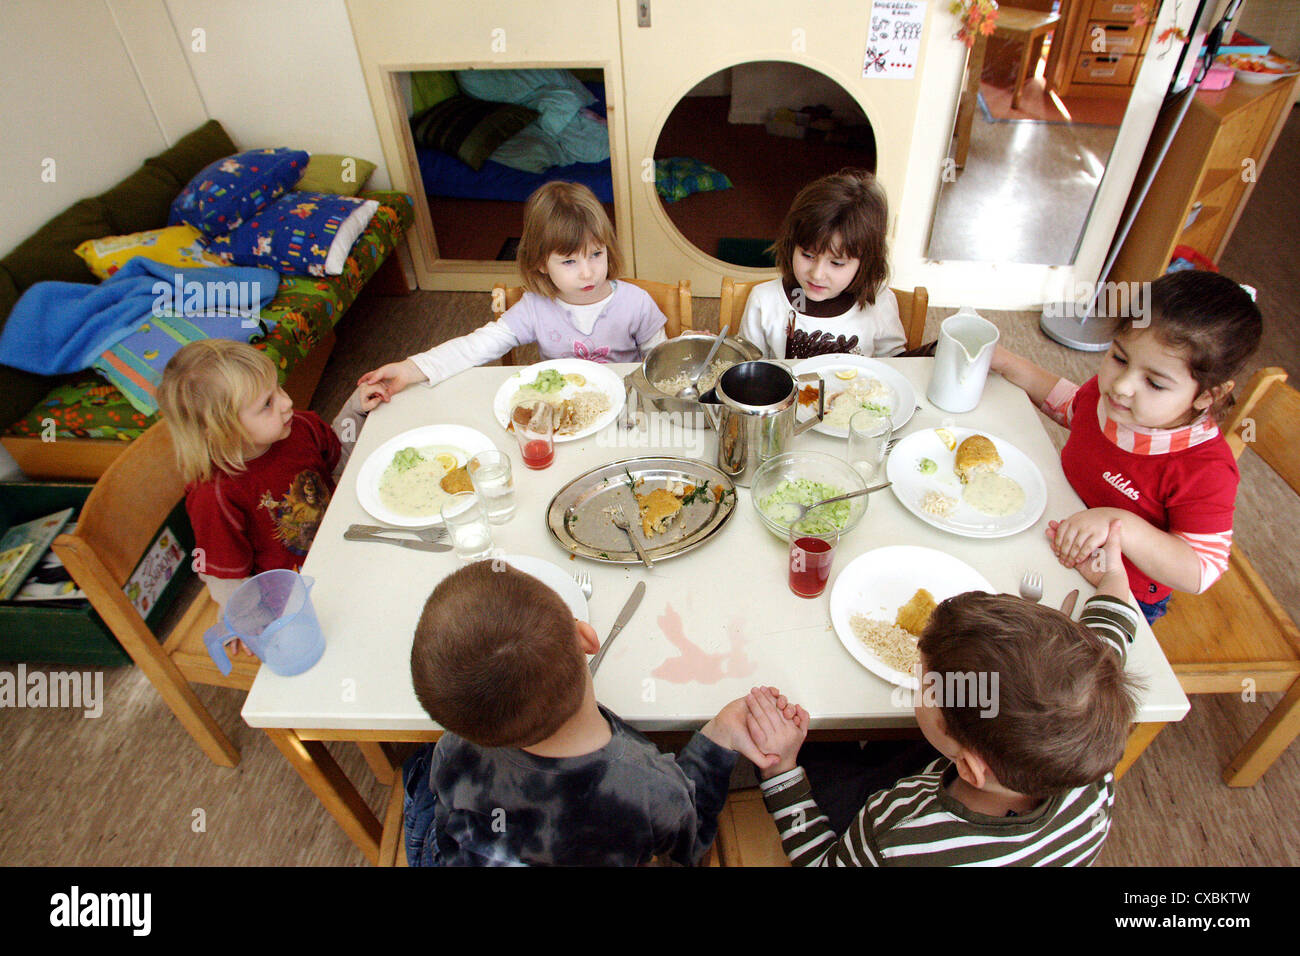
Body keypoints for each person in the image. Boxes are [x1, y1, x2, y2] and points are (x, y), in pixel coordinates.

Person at [746, 520, 1143, 866]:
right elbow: (1106, 643)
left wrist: (781, 772)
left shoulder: (897, 834)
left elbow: (822, 863)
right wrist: (1112, 578)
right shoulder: (1088, 742)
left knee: (820, 748)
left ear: (969, 769)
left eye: (925, 682)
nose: (916, 672)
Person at [403, 560, 779, 866]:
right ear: (587, 638)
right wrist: (718, 738)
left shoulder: (451, 749)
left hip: (463, 853)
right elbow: (690, 848)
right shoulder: (650, 786)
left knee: (417, 773)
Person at [991, 269, 1262, 622]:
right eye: (1119, 358)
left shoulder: (1204, 468)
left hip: (1115, 594)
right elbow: (1075, 407)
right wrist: (1014, 366)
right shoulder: (1113, 401)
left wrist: (1120, 523)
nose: (1121, 386)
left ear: (1208, 396)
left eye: (1154, 382)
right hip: (1050, 533)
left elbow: (1201, 569)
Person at [358, 181, 667, 397]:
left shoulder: (636, 303)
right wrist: (410, 369)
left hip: (625, 409)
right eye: (569, 262)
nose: (588, 272)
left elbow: (662, 364)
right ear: (541, 264)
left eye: (596, 254)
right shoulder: (534, 308)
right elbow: (476, 347)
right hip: (562, 410)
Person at [156, 339, 385, 615]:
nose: (287, 402)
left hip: (347, 546)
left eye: (278, 388)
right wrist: (246, 621)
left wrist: (355, 410)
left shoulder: (298, 425)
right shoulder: (213, 497)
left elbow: (338, 462)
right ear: (222, 430)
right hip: (297, 598)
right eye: (267, 403)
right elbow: (225, 579)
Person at [739, 168, 906, 360]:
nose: (817, 274)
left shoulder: (880, 302)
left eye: (836, 263)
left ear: (866, 262)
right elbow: (747, 367)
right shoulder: (764, 301)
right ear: (791, 245)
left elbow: (895, 365)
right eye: (808, 255)